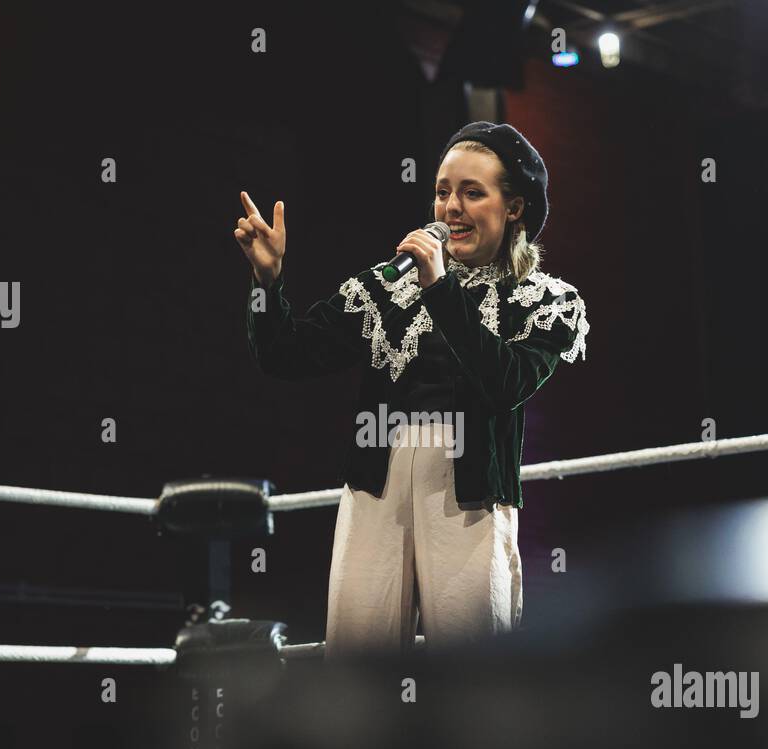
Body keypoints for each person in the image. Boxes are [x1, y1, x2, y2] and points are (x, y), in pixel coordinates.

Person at [235, 121, 588, 659]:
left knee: (471, 657)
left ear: (514, 208)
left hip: (468, 484)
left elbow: (505, 383)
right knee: (359, 655)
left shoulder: (542, 300)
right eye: (443, 191)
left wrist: (441, 288)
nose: (451, 208)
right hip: (378, 475)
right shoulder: (388, 285)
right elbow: (287, 355)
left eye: (473, 192)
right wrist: (267, 283)